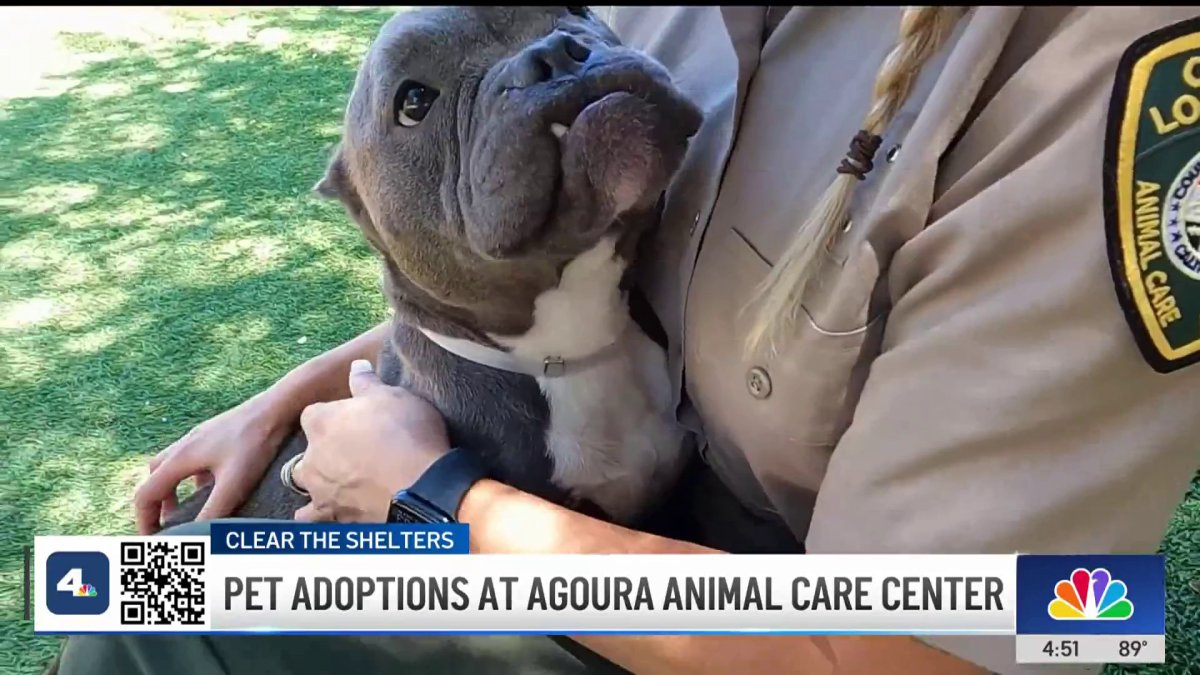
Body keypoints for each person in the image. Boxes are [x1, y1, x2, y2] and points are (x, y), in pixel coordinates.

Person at [56, 5, 1200, 675]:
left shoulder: (1099, 82)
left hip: (790, 621)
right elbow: (605, 253)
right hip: (643, 523)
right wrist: (308, 388)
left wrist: (442, 501)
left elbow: (936, 646)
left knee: (155, 636)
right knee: (134, 587)